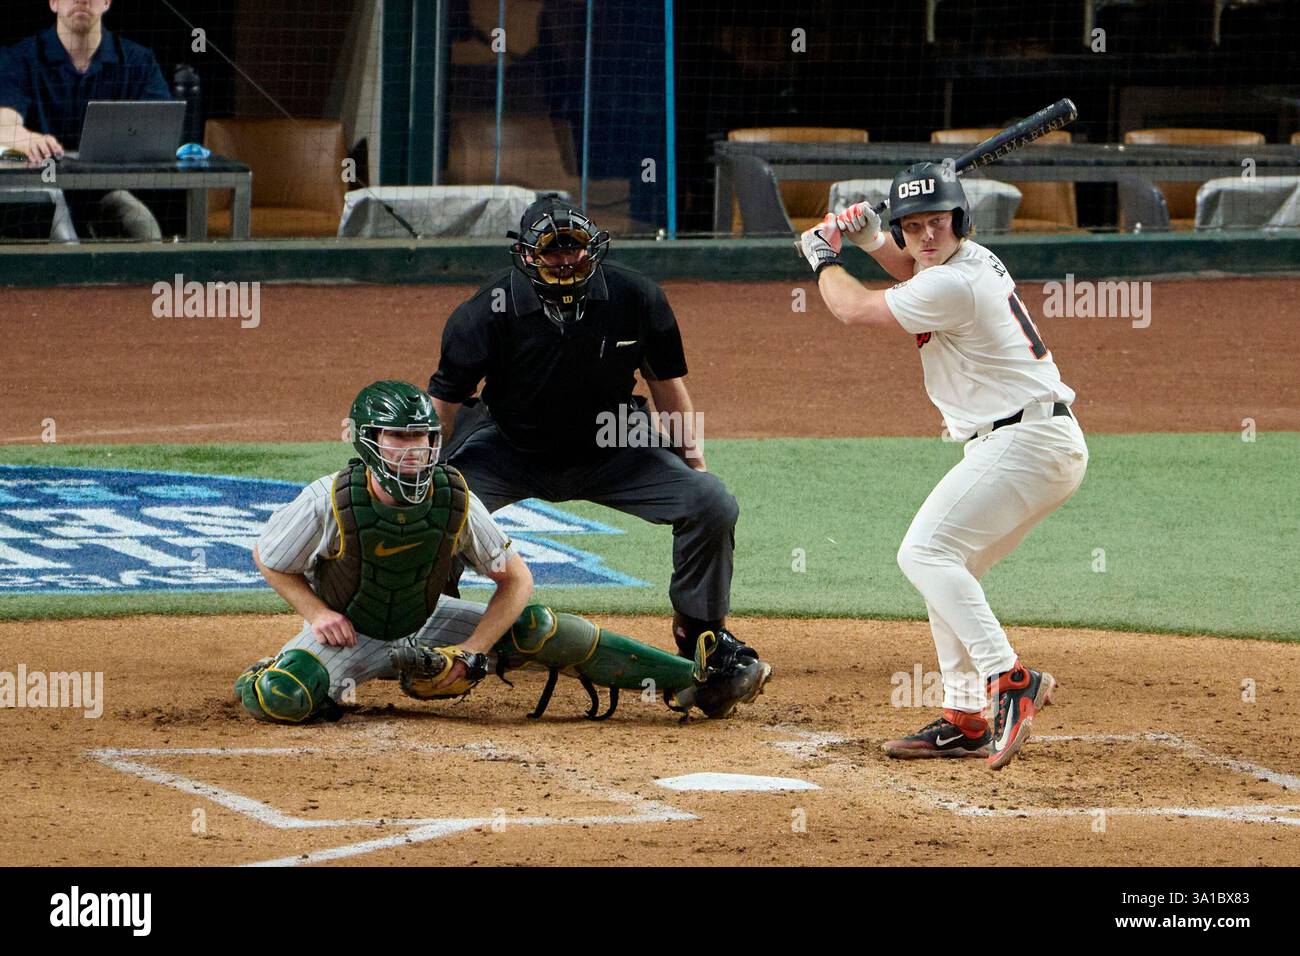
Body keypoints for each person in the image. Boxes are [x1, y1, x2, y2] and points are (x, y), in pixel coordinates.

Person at [236, 380, 769, 724]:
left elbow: (515, 580)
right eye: (399, 438)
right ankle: (265, 671)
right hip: (350, 632)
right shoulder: (327, 499)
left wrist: (471, 652)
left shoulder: (453, 496)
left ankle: (694, 683)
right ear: (368, 439)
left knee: (538, 625)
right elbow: (270, 557)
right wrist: (318, 613)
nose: (414, 449)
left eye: (422, 437)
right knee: (285, 695)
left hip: (425, 623)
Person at [798, 163, 1089, 770]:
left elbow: (854, 309)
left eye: (939, 223)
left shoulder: (952, 284)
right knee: (948, 570)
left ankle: (1009, 679)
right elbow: (912, 270)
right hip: (1033, 441)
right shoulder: (963, 264)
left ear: (959, 222)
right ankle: (965, 717)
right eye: (915, 226)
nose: (928, 236)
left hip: (1026, 442)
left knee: (923, 554)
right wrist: (875, 239)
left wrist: (824, 256)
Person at [427, 194, 770, 688]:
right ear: (527, 255)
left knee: (711, 502)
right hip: (510, 449)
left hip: (614, 445)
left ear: (595, 249)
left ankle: (701, 632)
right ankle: (437, 629)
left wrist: (693, 461)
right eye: (552, 251)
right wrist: (420, 476)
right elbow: (445, 403)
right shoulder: (485, 311)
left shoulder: (637, 298)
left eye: (576, 249)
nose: (566, 261)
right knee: (438, 512)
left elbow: (666, 386)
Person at [0, 0, 170, 239]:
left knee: (145, 229)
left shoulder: (137, 61)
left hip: (102, 190)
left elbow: (163, 127)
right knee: (64, 241)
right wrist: (25, 137)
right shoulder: (19, 58)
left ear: (107, 2)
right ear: (53, 3)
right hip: (41, 192)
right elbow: (4, 122)